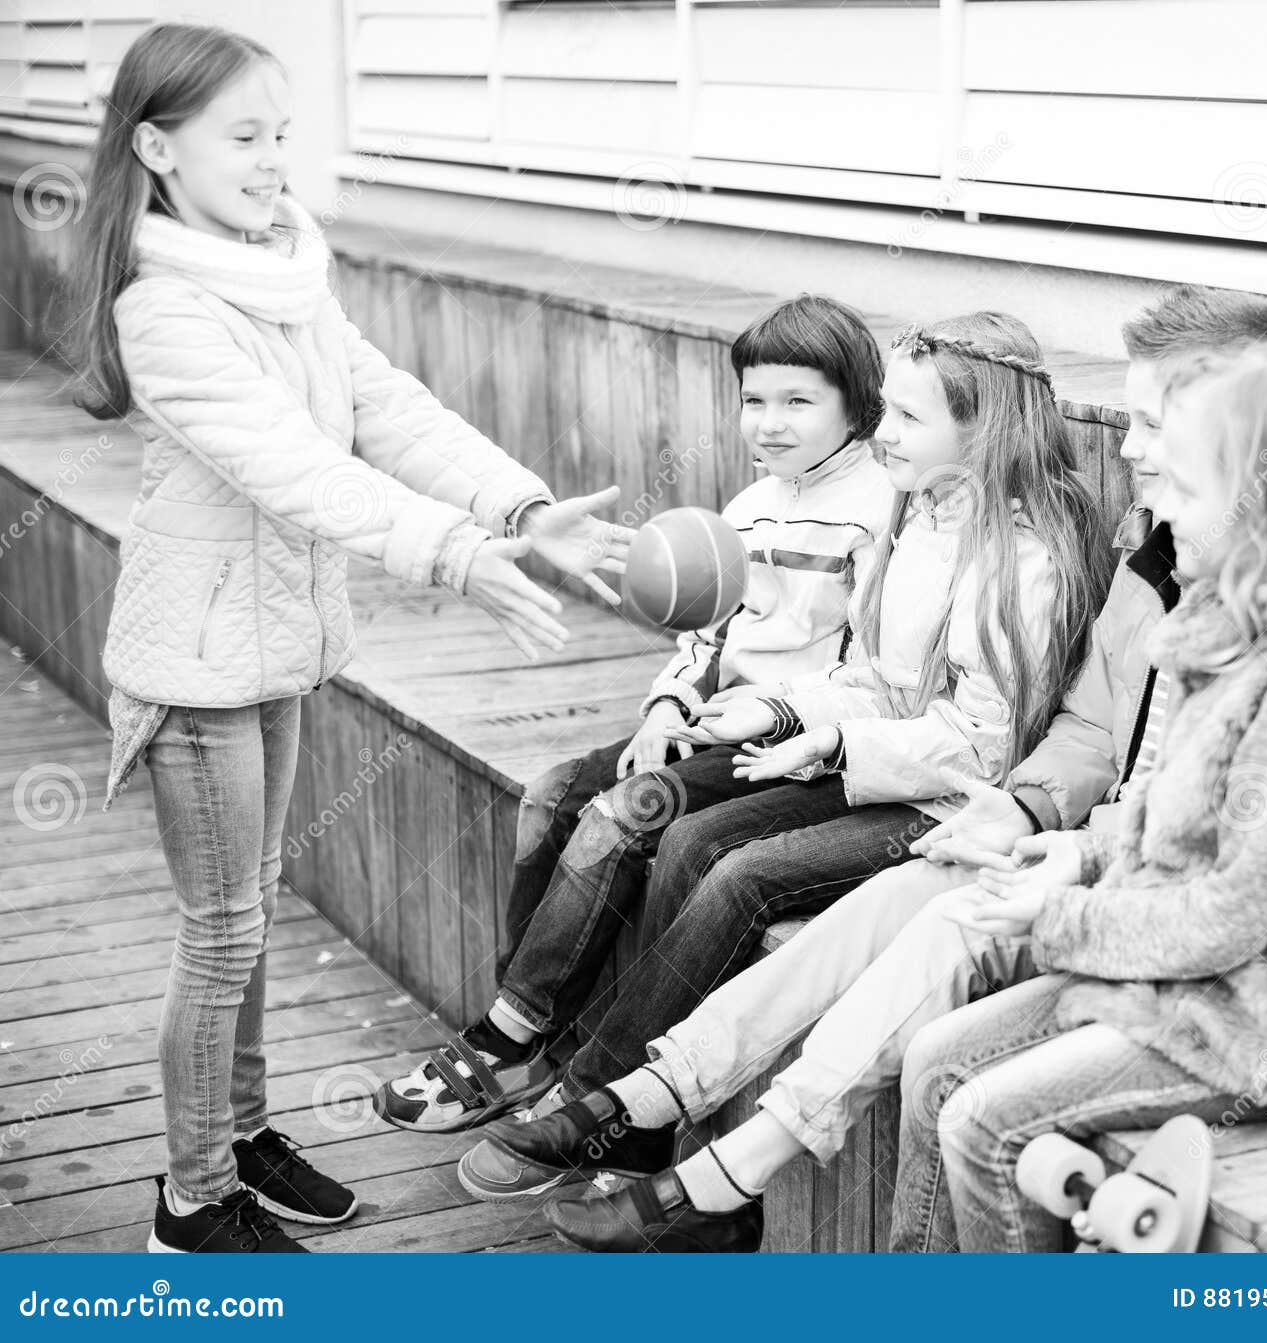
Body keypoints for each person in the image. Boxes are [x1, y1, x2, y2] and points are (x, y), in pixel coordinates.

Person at [526, 339, 1267, 1253]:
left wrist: (1055, 910)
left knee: (980, 1114)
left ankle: (709, 1166)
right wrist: (1065, 849)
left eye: (1185, 491)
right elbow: (1157, 814)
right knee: (932, 1054)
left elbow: (1233, 915)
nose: (1150, 502)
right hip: (1169, 967)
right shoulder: (1215, 626)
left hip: (1259, 1023)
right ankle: (688, 1129)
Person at [78, 23, 628, 1252]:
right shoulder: (168, 311)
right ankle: (190, 1195)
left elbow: (389, 407)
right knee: (220, 930)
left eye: (285, 134)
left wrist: (521, 508)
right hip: (196, 668)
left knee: (251, 911)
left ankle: (242, 1131)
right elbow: (302, 474)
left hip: (272, 651)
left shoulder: (285, 273)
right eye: (246, 138)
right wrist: (461, 555)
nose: (276, 161)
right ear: (157, 150)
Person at [457, 312, 1112, 1204]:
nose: (884, 433)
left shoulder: (1025, 559)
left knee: (740, 876)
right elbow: (872, 678)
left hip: (950, 808)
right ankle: (631, 1122)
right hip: (878, 765)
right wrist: (779, 708)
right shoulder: (919, 517)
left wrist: (838, 740)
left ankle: (599, 1100)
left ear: (981, 429)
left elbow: (985, 742)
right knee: (682, 840)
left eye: (906, 419)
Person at [371, 294, 895, 1131]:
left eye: (800, 401)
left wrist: (767, 712)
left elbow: (872, 669)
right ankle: (535, 1030)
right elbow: (706, 635)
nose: (771, 422)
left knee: (624, 817)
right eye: (755, 400)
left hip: (793, 744)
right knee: (551, 793)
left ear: (857, 401)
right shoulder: (750, 505)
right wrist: (664, 703)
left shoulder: (879, 510)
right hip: (711, 720)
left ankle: (508, 1038)